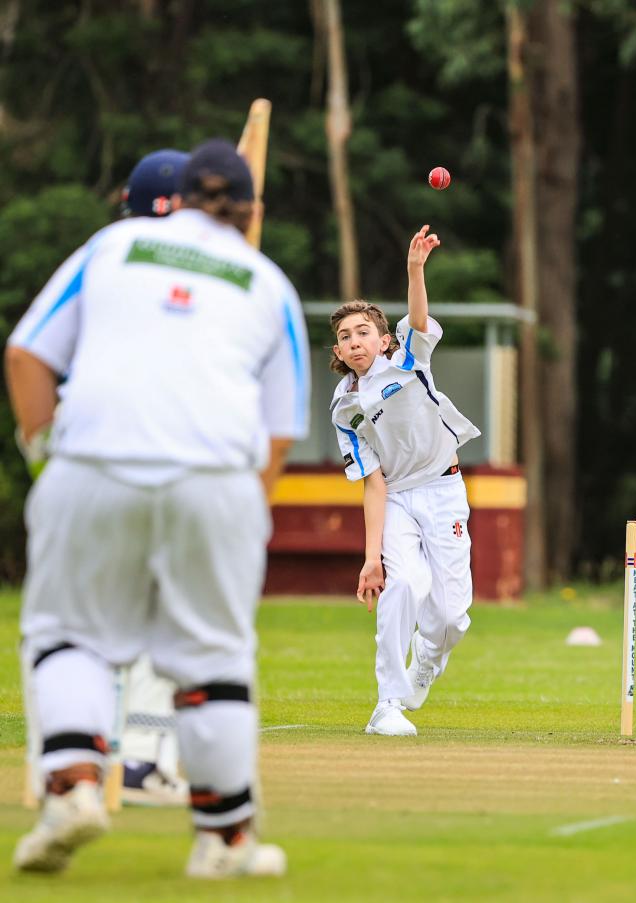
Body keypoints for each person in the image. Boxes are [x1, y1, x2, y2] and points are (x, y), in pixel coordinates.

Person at [5, 138, 310, 878]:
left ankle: (73, 787)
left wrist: (48, 452)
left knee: (69, 635)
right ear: (250, 209)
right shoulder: (270, 285)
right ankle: (225, 838)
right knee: (215, 662)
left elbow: (25, 355)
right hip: (216, 475)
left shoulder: (109, 248)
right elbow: (278, 434)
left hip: (93, 461)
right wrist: (242, 514)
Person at [329, 225, 480, 736]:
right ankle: (387, 704)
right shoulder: (344, 406)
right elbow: (373, 484)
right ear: (339, 350)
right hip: (396, 497)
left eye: (363, 332)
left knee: (453, 616)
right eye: (345, 337)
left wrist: (415, 269)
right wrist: (372, 558)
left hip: (444, 489)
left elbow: (418, 317)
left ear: (384, 339)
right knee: (405, 586)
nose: (354, 342)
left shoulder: (409, 361)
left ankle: (426, 666)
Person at [120, 148, 191, 807]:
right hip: (169, 471)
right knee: (169, 621)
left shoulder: (100, 259)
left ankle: (92, 765)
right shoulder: (218, 278)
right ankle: (139, 762)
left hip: (94, 468)